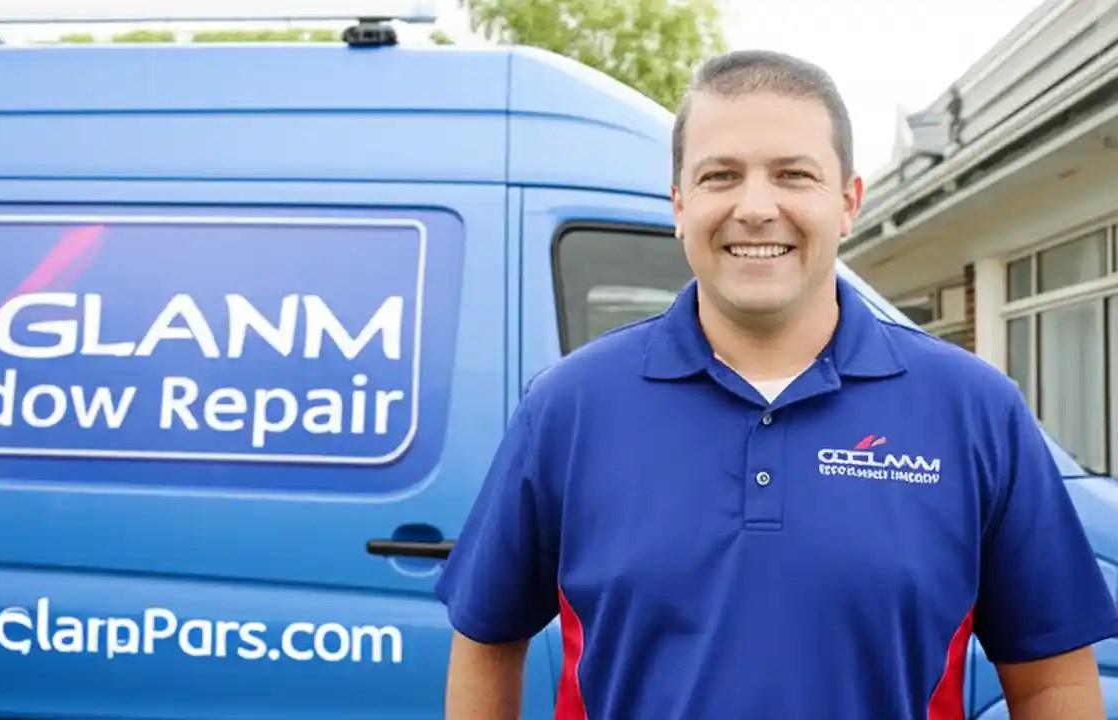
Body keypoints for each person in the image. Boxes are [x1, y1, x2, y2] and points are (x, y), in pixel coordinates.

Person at [434, 49, 1118, 719]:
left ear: (848, 202)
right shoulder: (569, 407)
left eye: (793, 175)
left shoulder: (974, 412)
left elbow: (1050, 683)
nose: (756, 207)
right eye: (721, 176)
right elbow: (487, 641)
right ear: (679, 205)